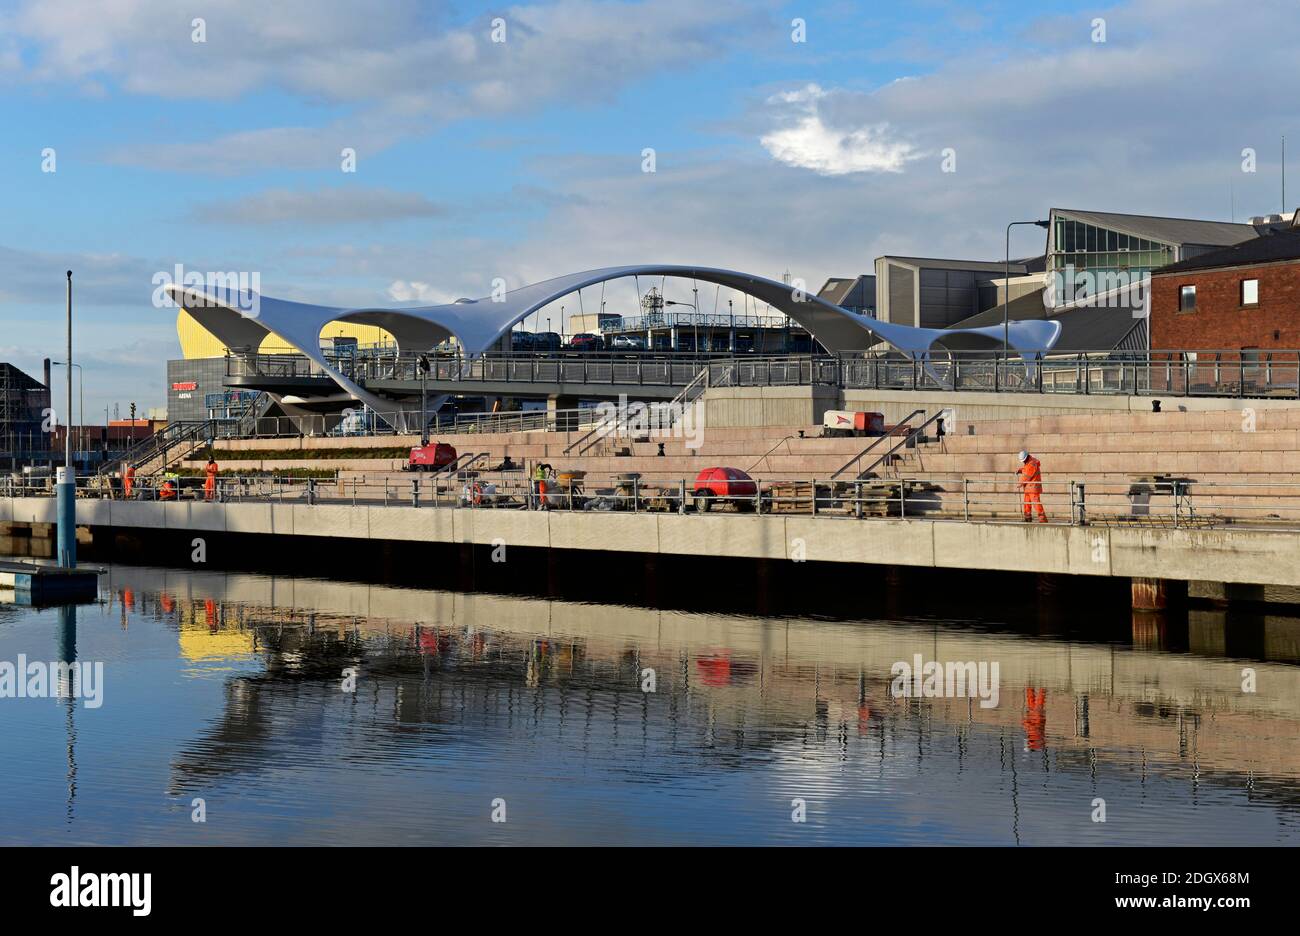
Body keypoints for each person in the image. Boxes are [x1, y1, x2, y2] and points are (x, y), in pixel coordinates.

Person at [1017, 450, 1046, 523]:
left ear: (1026, 457)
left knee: (1036, 503)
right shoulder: (1029, 463)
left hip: (1033, 488)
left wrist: (1020, 483)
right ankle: (1027, 518)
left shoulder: (1032, 464)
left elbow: (1027, 475)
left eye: (1023, 460)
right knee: (1027, 503)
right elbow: (1026, 470)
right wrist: (1020, 470)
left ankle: (1043, 519)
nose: (1023, 462)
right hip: (1029, 487)